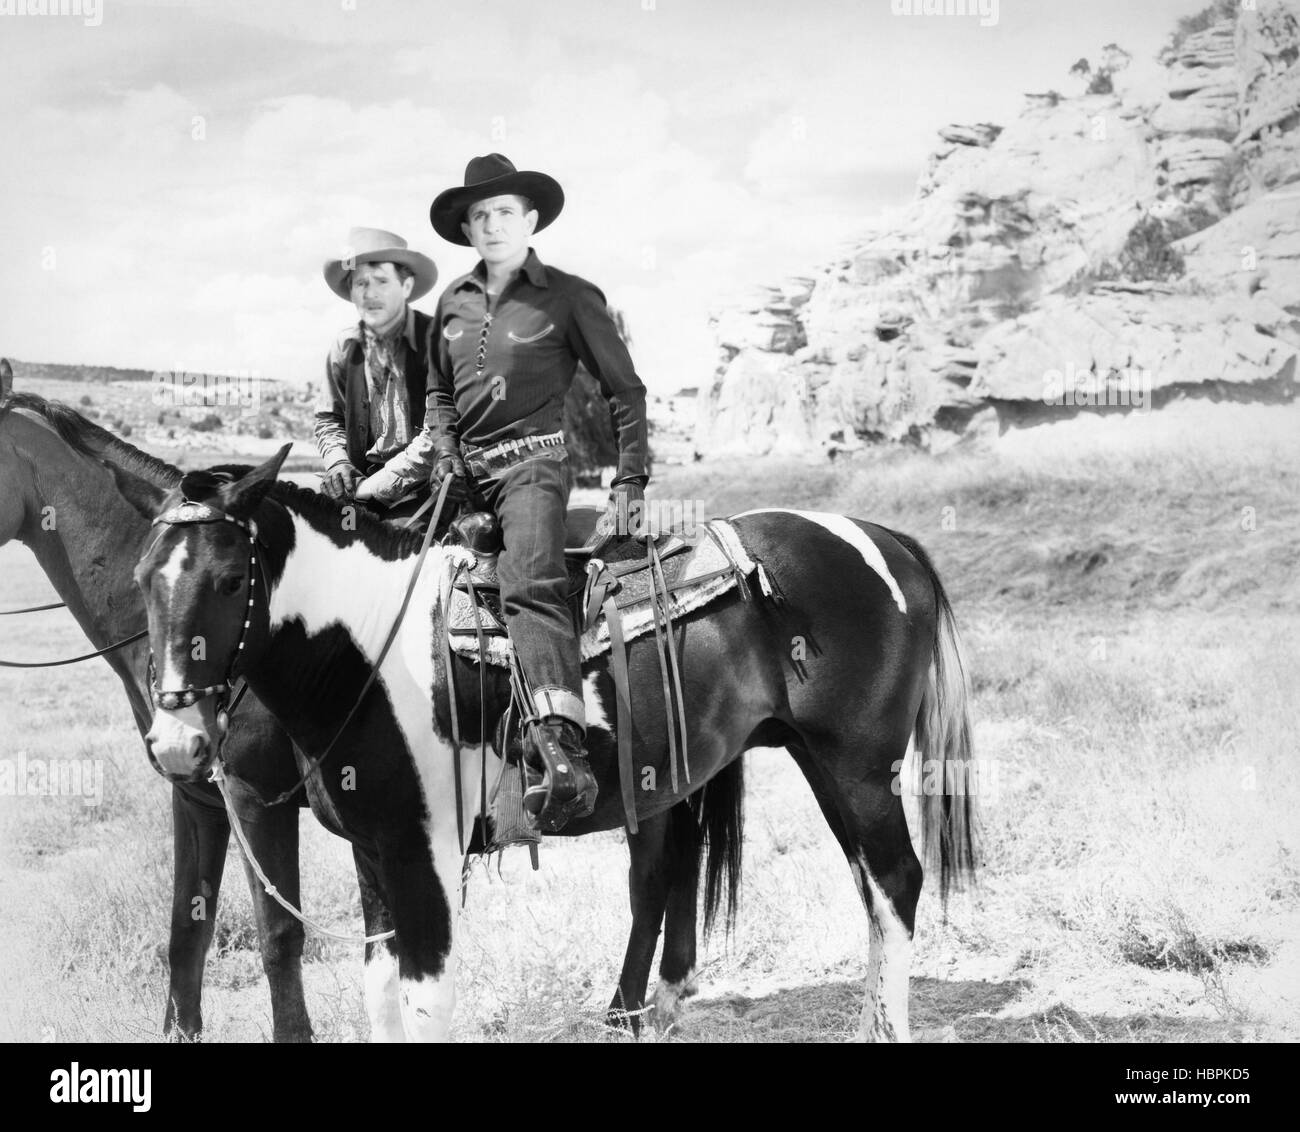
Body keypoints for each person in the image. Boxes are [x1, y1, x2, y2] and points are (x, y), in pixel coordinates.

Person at [404, 153, 650, 830]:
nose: (491, 224)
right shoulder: (449, 304)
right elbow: (437, 396)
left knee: (527, 578)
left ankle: (562, 749)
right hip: (461, 478)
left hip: (532, 468)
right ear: (466, 228)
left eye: (504, 212)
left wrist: (630, 479)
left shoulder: (569, 297)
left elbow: (624, 391)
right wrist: (446, 453)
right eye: (479, 215)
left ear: (530, 219)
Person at [313, 227, 440, 520]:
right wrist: (338, 464)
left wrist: (370, 488)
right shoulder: (345, 347)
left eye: (382, 282)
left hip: (427, 489)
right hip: (361, 490)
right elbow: (328, 418)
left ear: (405, 286)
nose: (370, 294)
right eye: (361, 284)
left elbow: (436, 437)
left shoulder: (437, 344)